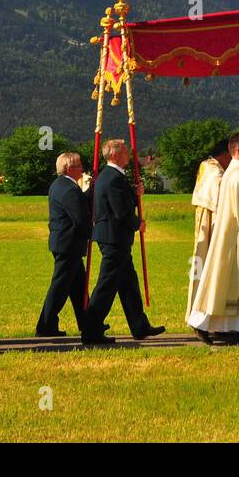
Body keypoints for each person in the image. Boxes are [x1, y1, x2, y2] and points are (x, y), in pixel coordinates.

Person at [189, 131, 239, 344]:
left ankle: (238, 328)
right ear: (237, 149)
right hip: (238, 240)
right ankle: (210, 325)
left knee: (224, 285)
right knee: (238, 284)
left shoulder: (232, 173)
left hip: (231, 235)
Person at [83, 138, 164, 344]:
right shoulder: (112, 178)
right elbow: (121, 211)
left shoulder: (112, 176)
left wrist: (135, 193)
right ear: (114, 155)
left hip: (114, 237)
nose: (130, 155)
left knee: (128, 283)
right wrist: (138, 223)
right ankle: (91, 331)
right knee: (106, 286)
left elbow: (121, 202)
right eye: (126, 151)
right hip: (113, 238)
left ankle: (140, 326)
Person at [36, 151, 92, 337]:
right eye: (79, 165)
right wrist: (94, 234)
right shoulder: (69, 189)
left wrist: (89, 192)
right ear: (69, 168)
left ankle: (88, 323)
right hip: (69, 244)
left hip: (65, 243)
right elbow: (80, 217)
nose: (82, 168)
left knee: (78, 288)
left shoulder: (59, 185)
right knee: (60, 287)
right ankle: (45, 326)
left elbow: (80, 205)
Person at [185, 139, 230, 342]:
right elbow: (224, 200)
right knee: (208, 274)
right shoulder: (215, 173)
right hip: (211, 227)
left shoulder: (207, 166)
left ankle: (216, 322)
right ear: (224, 154)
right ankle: (201, 320)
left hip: (206, 223)